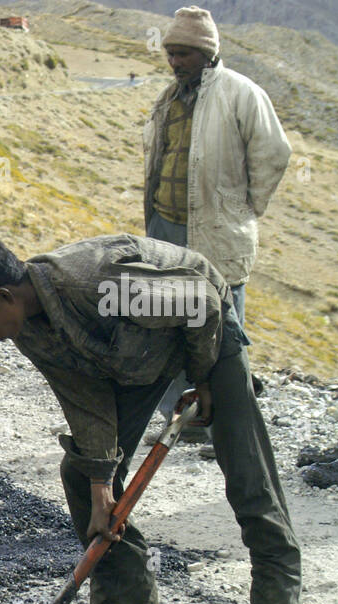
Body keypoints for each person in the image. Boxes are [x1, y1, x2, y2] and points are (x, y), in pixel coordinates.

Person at [0, 235, 302, 604]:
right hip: (133, 359)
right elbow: (85, 400)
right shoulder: (28, 329)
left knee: (248, 479)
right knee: (80, 471)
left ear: (4, 296)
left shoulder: (98, 283)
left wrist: (203, 376)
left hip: (202, 332)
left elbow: (200, 302)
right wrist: (100, 491)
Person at [143, 6, 291, 445]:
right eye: (171, 53)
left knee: (223, 331)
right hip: (166, 230)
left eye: (184, 53)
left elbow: (273, 153)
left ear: (207, 53)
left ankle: (230, 428)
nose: (175, 62)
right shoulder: (168, 97)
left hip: (217, 234)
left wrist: (242, 208)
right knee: (171, 325)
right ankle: (183, 421)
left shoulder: (241, 93)